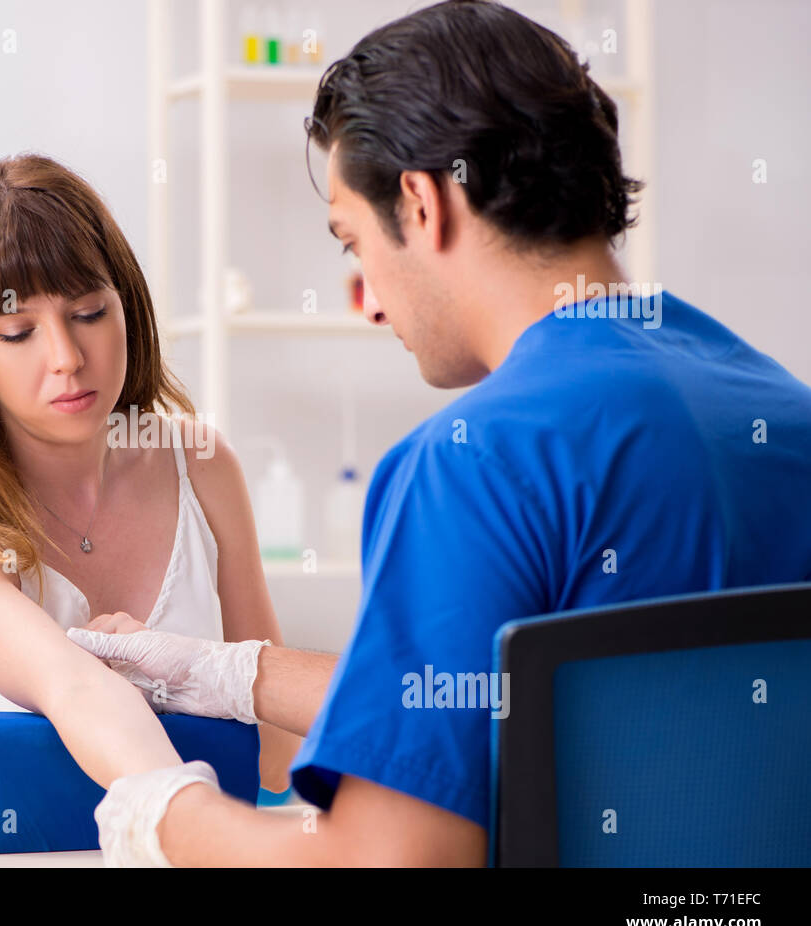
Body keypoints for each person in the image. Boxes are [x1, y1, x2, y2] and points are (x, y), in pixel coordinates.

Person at [67, 0, 811, 866]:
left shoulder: (473, 465)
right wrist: (232, 671)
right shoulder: (781, 414)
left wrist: (167, 816)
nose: (373, 299)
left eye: (354, 243)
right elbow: (584, 702)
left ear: (421, 204)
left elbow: (390, 864)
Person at [0, 153, 302, 799]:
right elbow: (72, 685)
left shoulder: (204, 468)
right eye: (17, 332)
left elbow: (278, 755)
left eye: (90, 313)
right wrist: (199, 821)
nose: (67, 358)